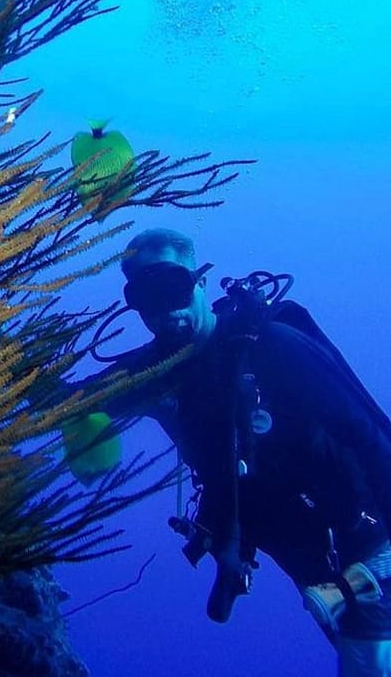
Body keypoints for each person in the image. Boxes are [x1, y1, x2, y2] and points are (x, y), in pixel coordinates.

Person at [77, 227, 391, 677]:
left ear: (200, 282)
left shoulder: (273, 349)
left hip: (368, 543)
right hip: (308, 559)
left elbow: (367, 434)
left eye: (174, 287)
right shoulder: (159, 372)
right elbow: (71, 401)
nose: (168, 312)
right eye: (147, 297)